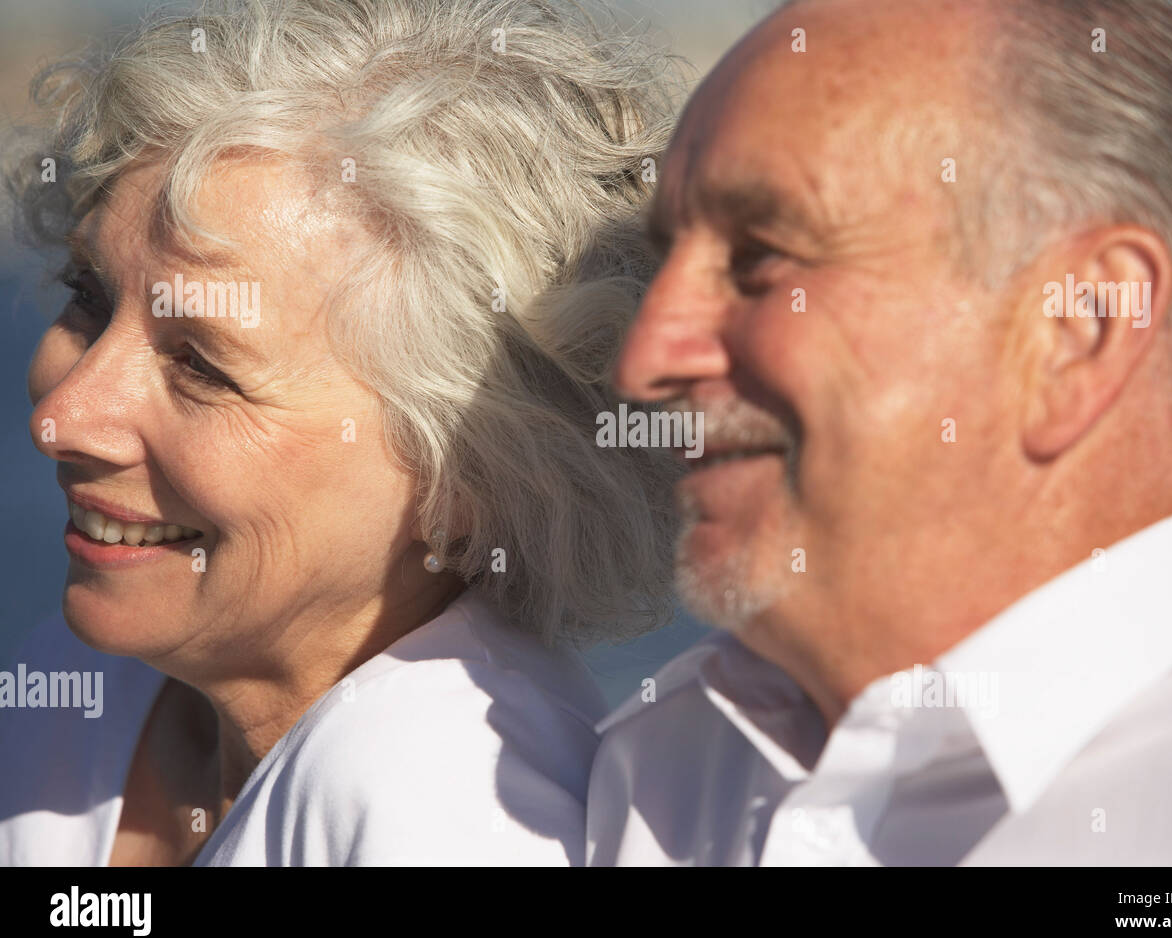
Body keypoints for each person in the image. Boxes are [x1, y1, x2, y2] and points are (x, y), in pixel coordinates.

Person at [587, 0, 1172, 865]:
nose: (647, 357)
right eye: (668, 261)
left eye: (761, 257)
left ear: (1084, 326)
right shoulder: (662, 768)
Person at [0, 0, 679, 866]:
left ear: (471, 468)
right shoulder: (91, 681)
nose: (61, 417)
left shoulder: (441, 810)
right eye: (89, 297)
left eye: (203, 366)